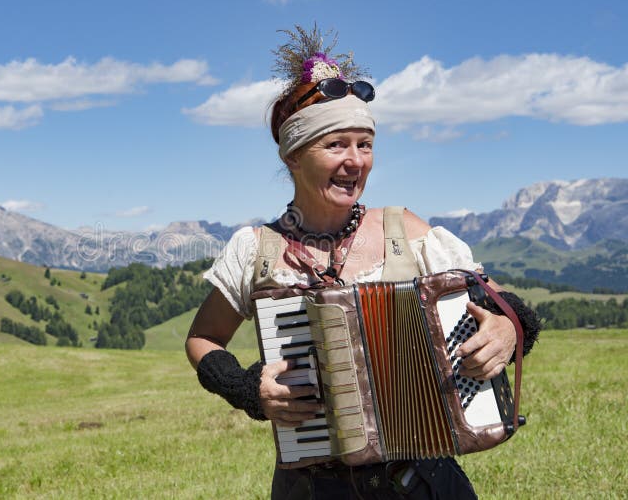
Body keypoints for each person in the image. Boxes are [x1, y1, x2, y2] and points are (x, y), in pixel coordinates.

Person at [185, 26, 540, 499]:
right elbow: (203, 338)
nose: (356, 162)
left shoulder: (408, 232)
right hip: (310, 488)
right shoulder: (257, 249)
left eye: (364, 144)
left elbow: (502, 305)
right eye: (336, 145)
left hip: (424, 481)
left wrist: (508, 329)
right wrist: (248, 389)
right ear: (293, 156)